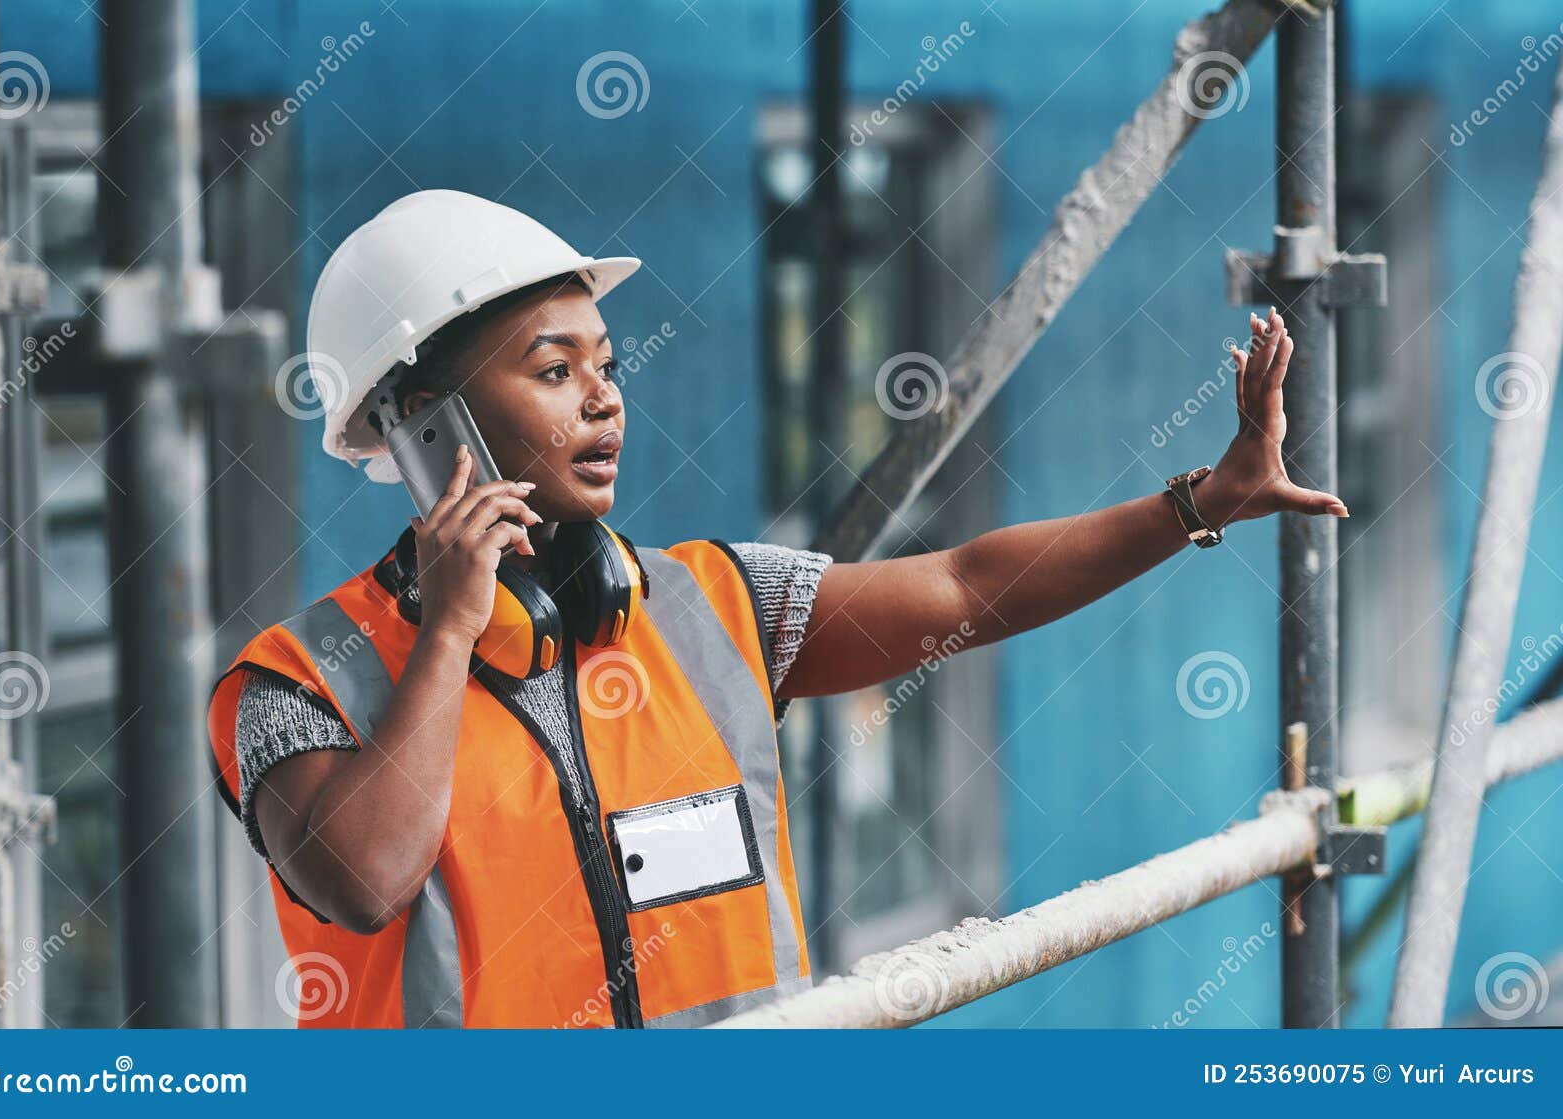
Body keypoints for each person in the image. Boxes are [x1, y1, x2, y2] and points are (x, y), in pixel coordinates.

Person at [207, 190, 1345, 1029]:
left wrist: (1200, 501)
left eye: (606, 364)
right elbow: (363, 882)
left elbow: (960, 589)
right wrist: (452, 627)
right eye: (553, 371)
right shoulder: (289, 683)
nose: (604, 397)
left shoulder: (710, 602)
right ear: (421, 425)